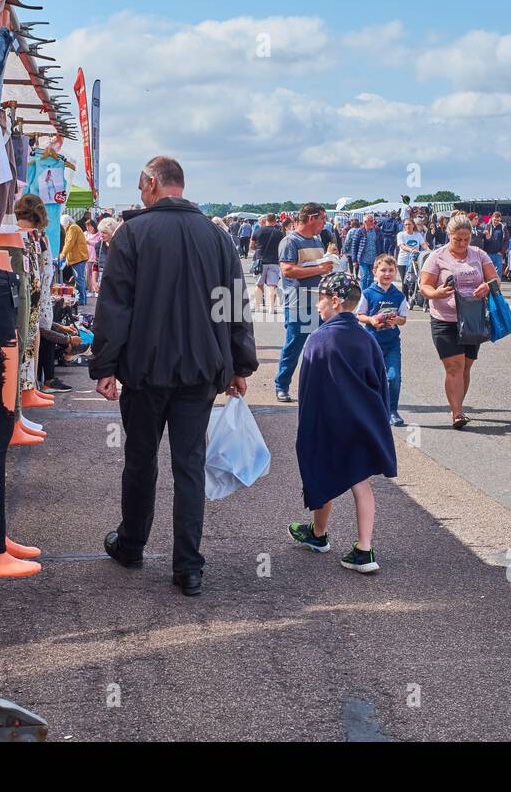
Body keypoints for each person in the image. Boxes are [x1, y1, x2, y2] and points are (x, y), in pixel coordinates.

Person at [90, 156, 258, 596]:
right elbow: (234, 305)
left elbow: (115, 307)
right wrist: (240, 364)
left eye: (139, 185)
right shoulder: (217, 237)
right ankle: (188, 566)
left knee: (141, 461)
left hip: (146, 370)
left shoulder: (133, 233)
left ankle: (132, 544)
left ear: (150, 184)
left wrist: (105, 365)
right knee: (190, 466)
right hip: (201, 371)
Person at [287, 271, 396, 574]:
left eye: (321, 300)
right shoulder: (366, 339)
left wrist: (306, 430)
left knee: (323, 477)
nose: (318, 306)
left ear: (334, 301)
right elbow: (380, 384)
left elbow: (308, 390)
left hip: (328, 424)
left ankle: (319, 534)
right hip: (363, 424)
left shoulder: (318, 339)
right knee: (361, 484)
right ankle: (364, 549)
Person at [417, 214, 497, 430]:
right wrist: (437, 293)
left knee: (466, 367)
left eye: (466, 239)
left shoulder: (479, 254)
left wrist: (488, 286)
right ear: (449, 235)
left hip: (472, 318)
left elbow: (494, 278)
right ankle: (457, 413)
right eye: (457, 239)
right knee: (454, 365)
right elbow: (424, 286)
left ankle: (458, 404)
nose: (462, 244)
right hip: (445, 319)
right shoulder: (437, 257)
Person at [274, 202, 333, 403]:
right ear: (311, 218)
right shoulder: (290, 241)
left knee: (323, 347)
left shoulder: (317, 241)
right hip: (298, 302)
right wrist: (319, 269)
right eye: (322, 218)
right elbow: (287, 270)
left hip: (319, 301)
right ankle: (281, 385)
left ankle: (320, 386)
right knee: (294, 347)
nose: (324, 223)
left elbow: (318, 266)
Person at [356, 254, 408, 426]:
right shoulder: (368, 293)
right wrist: (371, 320)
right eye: (383, 270)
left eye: (391, 270)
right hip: (371, 342)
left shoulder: (398, 295)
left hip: (392, 343)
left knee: (393, 377)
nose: (387, 274)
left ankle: (392, 410)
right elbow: (360, 315)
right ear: (374, 272)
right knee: (370, 377)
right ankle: (368, 409)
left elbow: (403, 319)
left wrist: (396, 320)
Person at [251, 212, 285, 313]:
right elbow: (282, 247)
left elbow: (251, 246)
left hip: (260, 261)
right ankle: (271, 308)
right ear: (275, 221)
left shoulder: (258, 231)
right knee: (272, 285)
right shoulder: (279, 233)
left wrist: (258, 249)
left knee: (259, 284)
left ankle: (257, 306)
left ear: (266, 220)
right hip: (274, 261)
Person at [61, 213, 91, 306]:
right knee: (79, 279)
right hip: (78, 258)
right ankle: (83, 299)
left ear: (66, 223)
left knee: (79, 279)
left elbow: (69, 243)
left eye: (63, 225)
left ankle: (81, 300)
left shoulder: (72, 228)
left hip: (78, 258)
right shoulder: (73, 227)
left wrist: (62, 254)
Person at [345, 213, 378, 290]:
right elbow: (354, 247)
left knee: (371, 278)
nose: (373, 222)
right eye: (370, 221)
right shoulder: (360, 232)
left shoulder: (376, 231)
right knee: (364, 277)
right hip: (363, 259)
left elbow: (380, 244)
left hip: (373, 259)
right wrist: (354, 260)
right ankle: (363, 294)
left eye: (373, 220)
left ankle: (369, 293)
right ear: (365, 222)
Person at [395, 217, 425, 290]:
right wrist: (411, 250)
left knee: (416, 279)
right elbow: (402, 245)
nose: (407, 226)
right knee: (404, 282)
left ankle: (414, 297)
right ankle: (406, 299)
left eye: (409, 224)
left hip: (415, 260)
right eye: (405, 225)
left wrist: (429, 250)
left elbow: (423, 244)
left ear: (413, 225)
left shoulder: (417, 234)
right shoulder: (400, 234)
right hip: (403, 261)